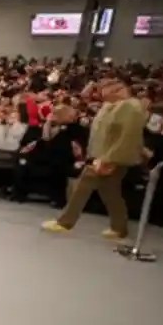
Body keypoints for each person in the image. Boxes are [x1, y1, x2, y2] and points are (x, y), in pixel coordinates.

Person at [44, 79, 148, 238]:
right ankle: (119, 229)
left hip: (112, 157)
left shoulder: (131, 108)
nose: (101, 94)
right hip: (101, 155)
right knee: (111, 194)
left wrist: (110, 158)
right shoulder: (111, 106)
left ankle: (65, 222)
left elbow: (127, 136)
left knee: (83, 186)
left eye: (105, 90)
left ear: (119, 90)